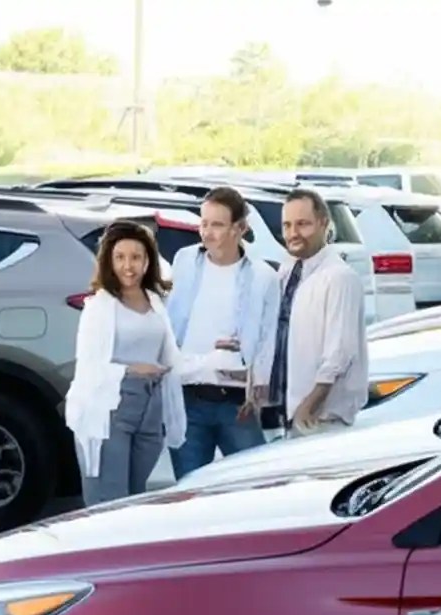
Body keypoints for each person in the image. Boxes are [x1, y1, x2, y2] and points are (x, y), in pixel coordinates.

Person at [64, 221, 186, 506]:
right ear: (109, 261)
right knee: (110, 501)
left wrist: (216, 362)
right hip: (112, 408)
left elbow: (172, 358)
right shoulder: (100, 306)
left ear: (148, 261)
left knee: (137, 499)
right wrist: (131, 369)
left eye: (135, 257)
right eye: (120, 257)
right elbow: (88, 367)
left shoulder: (155, 301)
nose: (128, 266)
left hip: (151, 405)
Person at [165, 186, 280, 479]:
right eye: (203, 223)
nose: (207, 233)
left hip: (236, 402)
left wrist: (258, 393)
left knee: (255, 484)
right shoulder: (184, 261)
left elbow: (268, 339)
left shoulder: (263, 276)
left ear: (239, 228)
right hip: (187, 397)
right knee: (190, 489)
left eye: (217, 225)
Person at [271, 187, 368, 437]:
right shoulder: (287, 272)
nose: (293, 233)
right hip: (289, 417)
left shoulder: (339, 278)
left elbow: (340, 352)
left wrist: (309, 405)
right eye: (287, 225)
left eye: (303, 224)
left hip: (320, 421)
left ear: (324, 224)